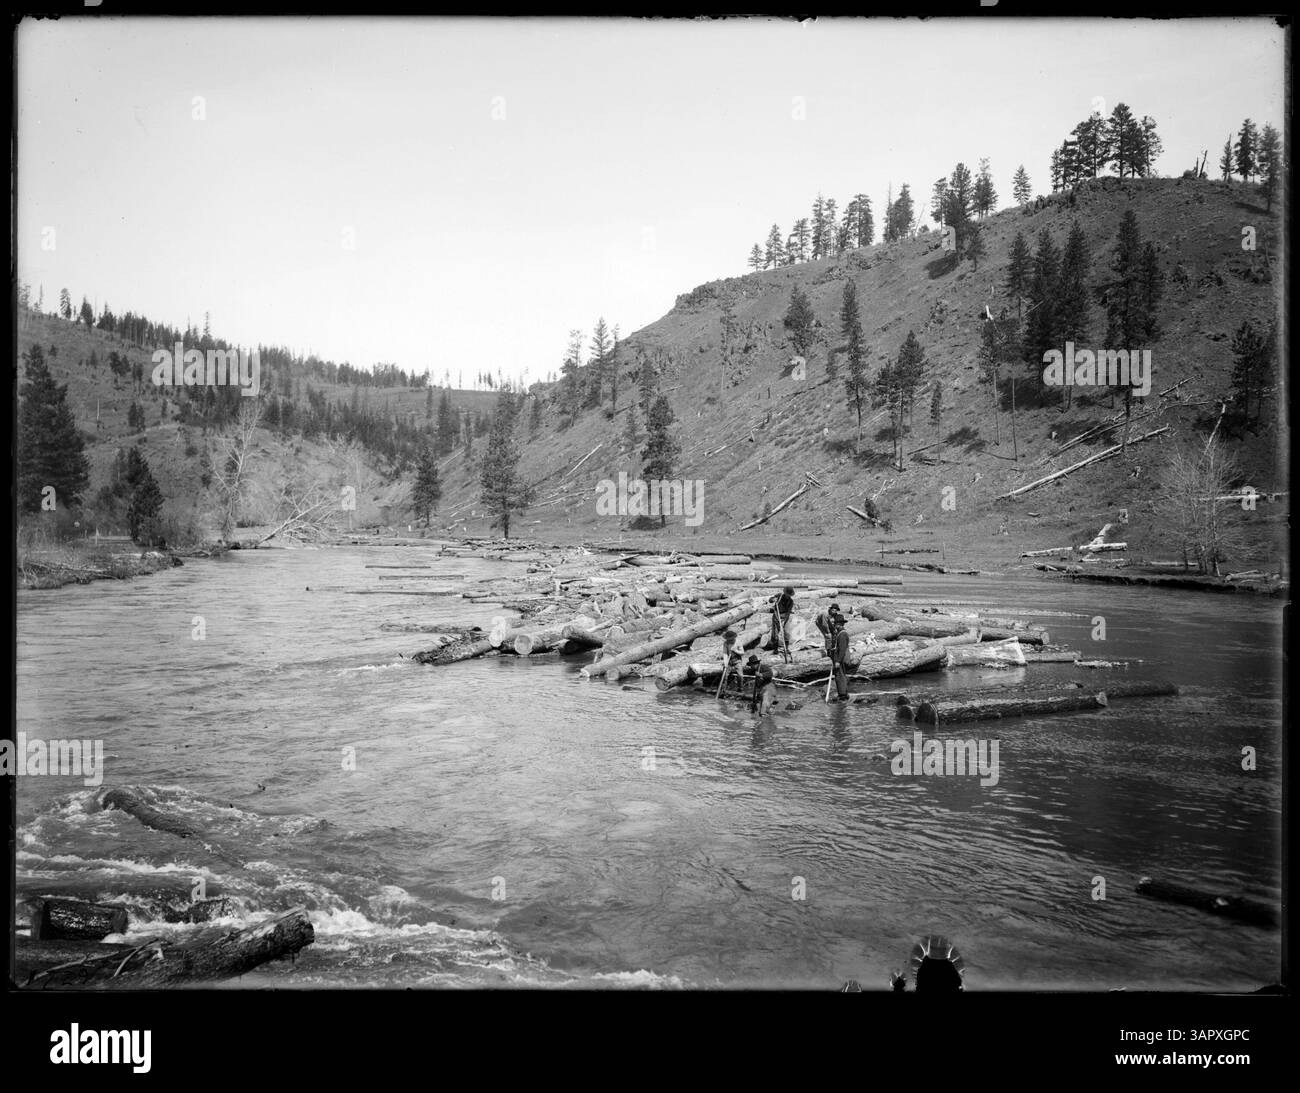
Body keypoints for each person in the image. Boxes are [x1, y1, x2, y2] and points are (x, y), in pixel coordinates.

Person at [766, 586, 795, 654]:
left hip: (785, 617)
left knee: (787, 632)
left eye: (789, 595)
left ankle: (786, 648)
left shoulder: (791, 601)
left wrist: (784, 621)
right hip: (776, 616)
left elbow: (788, 613)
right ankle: (775, 649)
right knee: (775, 634)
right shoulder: (779, 596)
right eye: (787, 595)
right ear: (785, 593)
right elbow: (770, 600)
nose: (788, 596)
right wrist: (773, 599)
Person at [830, 615, 851, 701]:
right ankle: (843, 693)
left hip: (840, 659)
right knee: (840, 675)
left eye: (836, 624)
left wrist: (838, 661)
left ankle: (843, 695)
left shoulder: (842, 635)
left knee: (840, 676)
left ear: (840, 624)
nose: (835, 626)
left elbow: (842, 649)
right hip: (838, 658)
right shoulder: (839, 633)